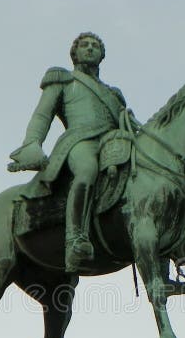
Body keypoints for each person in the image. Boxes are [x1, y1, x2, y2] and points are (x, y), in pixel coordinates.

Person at [9, 32, 126, 272]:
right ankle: (76, 240)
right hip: (80, 141)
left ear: (102, 55)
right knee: (86, 171)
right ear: (75, 53)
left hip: (113, 143)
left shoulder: (114, 94)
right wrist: (32, 144)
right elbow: (42, 115)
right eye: (85, 45)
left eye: (95, 46)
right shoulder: (63, 78)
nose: (90, 49)